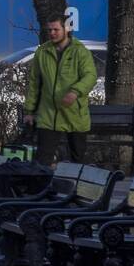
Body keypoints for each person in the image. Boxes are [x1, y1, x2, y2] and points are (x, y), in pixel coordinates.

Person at [24, 16, 98, 166]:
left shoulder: (80, 52)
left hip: (74, 115)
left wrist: (75, 92)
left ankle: (75, 188)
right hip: (48, 116)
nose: (52, 33)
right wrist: (29, 111)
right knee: (42, 161)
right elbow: (35, 83)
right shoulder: (42, 52)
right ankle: (39, 189)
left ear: (67, 29)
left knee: (77, 160)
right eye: (49, 30)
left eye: (56, 29)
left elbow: (90, 76)